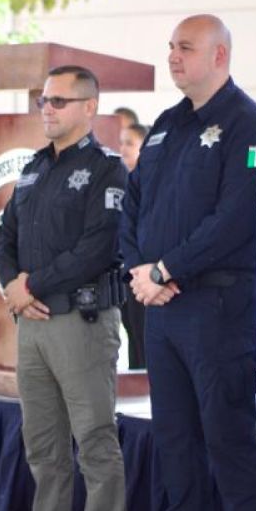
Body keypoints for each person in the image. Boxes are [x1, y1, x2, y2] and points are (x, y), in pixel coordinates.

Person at [118, 14, 256, 511]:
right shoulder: (166, 125)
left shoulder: (251, 124)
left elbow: (238, 218)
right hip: (161, 311)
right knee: (175, 442)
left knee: (228, 442)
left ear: (219, 55)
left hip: (219, 308)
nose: (173, 57)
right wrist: (141, 270)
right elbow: (133, 205)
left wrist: (167, 269)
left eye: (185, 48)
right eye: (170, 47)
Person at [0, 65, 133, 511]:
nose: (47, 109)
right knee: (43, 439)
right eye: (43, 101)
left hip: (82, 321)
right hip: (33, 323)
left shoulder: (107, 171)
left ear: (89, 107)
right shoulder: (32, 170)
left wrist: (34, 285)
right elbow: (4, 235)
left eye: (58, 101)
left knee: (95, 438)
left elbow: (100, 245)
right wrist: (12, 284)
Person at [118, 121, 150, 369]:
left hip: (145, 273)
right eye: (121, 143)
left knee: (145, 338)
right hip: (125, 274)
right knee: (132, 337)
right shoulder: (120, 181)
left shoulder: (150, 184)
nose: (123, 148)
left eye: (130, 143)